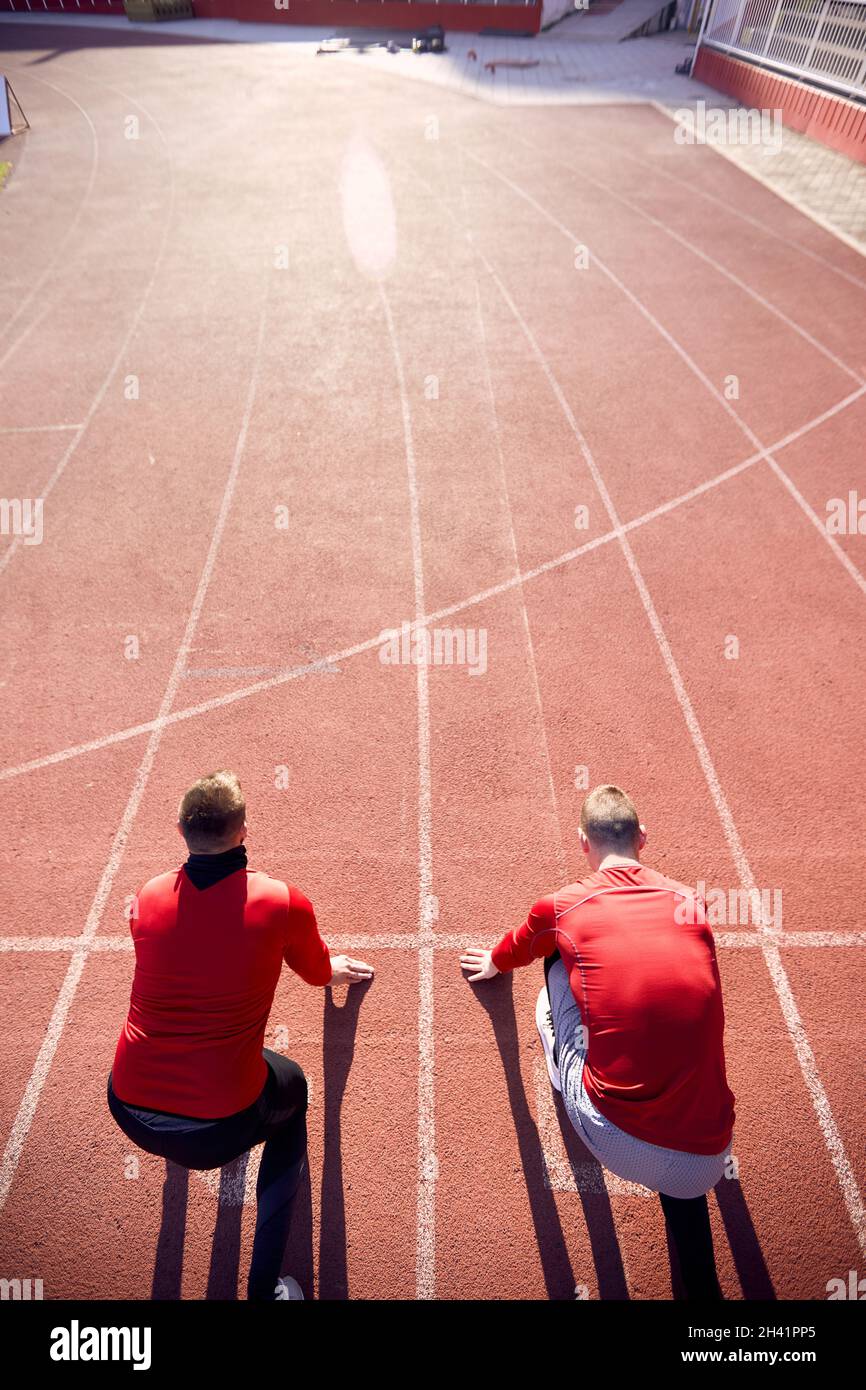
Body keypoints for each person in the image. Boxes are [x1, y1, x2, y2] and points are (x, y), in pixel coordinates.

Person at [106, 770, 373, 1301]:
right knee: (292, 1089)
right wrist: (333, 972)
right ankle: (262, 1287)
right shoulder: (279, 901)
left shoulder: (146, 896)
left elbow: (158, 930)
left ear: (180, 829)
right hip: (218, 1126)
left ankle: (173, 1164)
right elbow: (317, 971)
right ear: (244, 830)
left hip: (128, 1106)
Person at [461, 784, 735, 1300]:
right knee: (683, 1184)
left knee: (553, 968)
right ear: (644, 839)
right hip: (708, 1155)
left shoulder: (564, 905)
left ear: (583, 842)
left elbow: (519, 948)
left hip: (612, 1134)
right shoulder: (691, 903)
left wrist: (493, 963)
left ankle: (562, 1071)